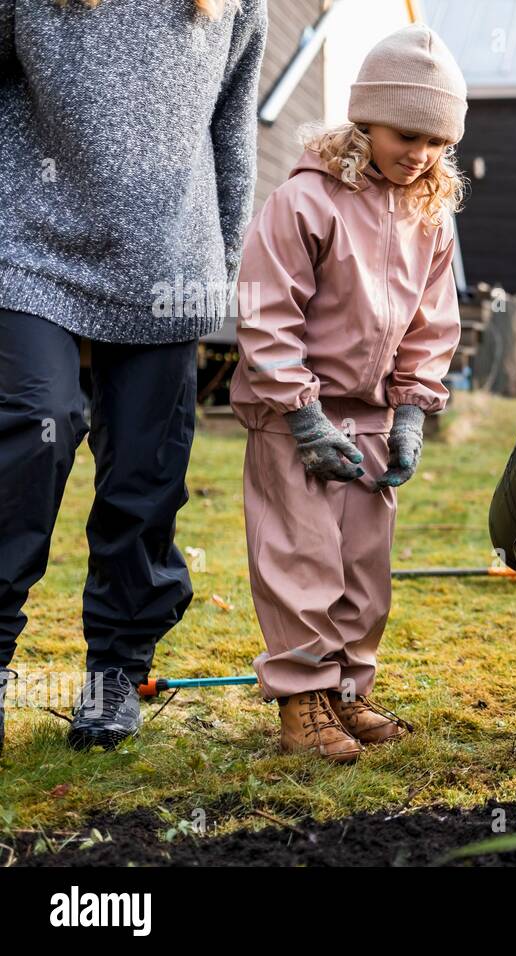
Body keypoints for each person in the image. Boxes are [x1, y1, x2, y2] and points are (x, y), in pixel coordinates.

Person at [0, 0, 266, 752]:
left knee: (145, 470)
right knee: (33, 423)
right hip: (30, 244)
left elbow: (231, 127)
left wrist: (220, 262)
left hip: (166, 262)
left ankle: (116, 668)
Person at [228, 24, 465, 762]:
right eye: (405, 133)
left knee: (364, 564)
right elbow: (267, 311)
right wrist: (300, 413)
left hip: (370, 418)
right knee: (302, 557)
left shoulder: (430, 216)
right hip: (291, 413)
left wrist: (413, 412)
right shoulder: (306, 202)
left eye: (436, 141)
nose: (419, 154)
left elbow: (432, 322)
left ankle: (348, 693)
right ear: (365, 118)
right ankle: (302, 701)